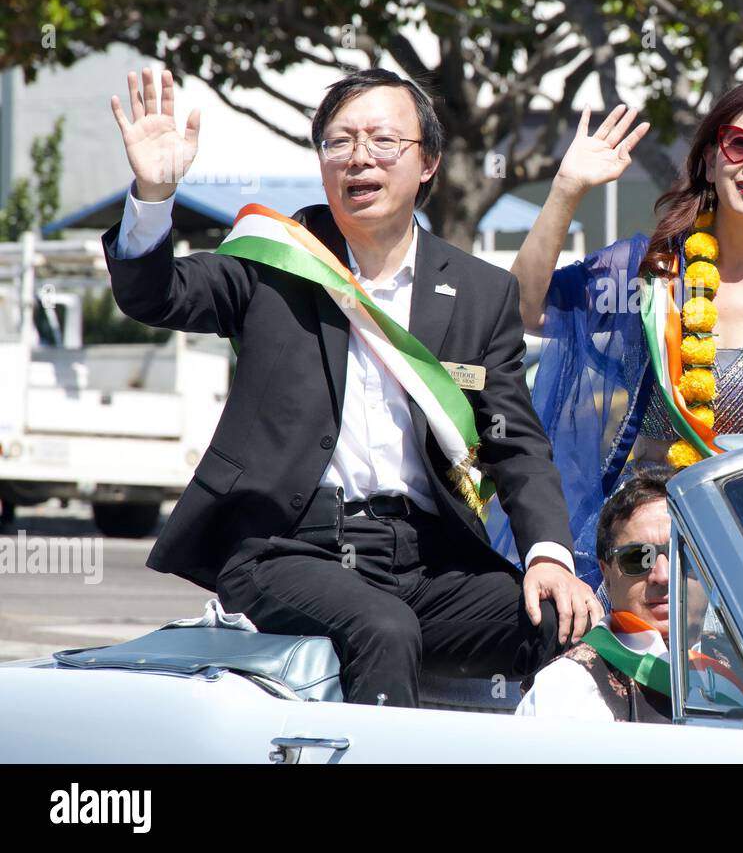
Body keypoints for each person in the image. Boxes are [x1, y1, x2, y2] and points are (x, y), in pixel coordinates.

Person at [103, 67, 602, 707]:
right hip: (287, 548)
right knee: (383, 630)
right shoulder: (273, 261)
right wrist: (152, 192)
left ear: (428, 163)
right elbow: (154, 295)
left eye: (384, 141)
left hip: (429, 555)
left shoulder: (480, 292)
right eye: (340, 142)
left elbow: (516, 444)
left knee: (560, 624)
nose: (360, 157)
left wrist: (549, 555)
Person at [509, 77, 743, 587]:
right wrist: (566, 190)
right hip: (649, 543)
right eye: (740, 144)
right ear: (709, 158)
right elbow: (526, 310)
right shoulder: (647, 272)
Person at [516, 465, 674, 722]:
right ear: (607, 574)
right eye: (638, 558)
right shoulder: (570, 689)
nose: (663, 575)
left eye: (680, 553)